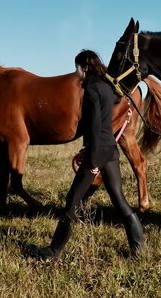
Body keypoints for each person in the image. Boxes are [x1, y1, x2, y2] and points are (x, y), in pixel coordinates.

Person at [30, 50, 144, 260]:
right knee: (119, 200)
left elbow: (93, 126)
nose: (76, 72)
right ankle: (138, 250)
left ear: (86, 68)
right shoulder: (107, 87)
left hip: (98, 151)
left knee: (72, 201)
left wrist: (91, 161)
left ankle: (53, 251)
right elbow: (118, 100)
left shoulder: (91, 89)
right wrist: (126, 113)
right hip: (111, 149)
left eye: (77, 67)